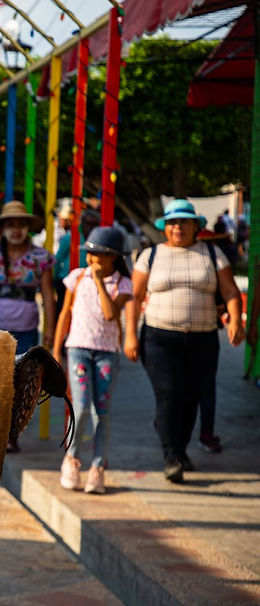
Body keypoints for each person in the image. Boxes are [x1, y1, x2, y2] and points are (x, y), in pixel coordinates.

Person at [124, 199, 244, 483]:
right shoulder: (150, 256)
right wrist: (129, 333)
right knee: (170, 392)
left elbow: (230, 291)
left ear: (195, 226)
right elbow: (134, 297)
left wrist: (236, 320)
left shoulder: (213, 254)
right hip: (158, 337)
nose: (178, 227)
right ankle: (172, 456)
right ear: (166, 227)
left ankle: (179, 447)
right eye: (173, 223)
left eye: (184, 222)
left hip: (202, 339)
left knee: (192, 396)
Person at [53, 227, 133, 494]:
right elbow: (65, 313)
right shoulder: (76, 277)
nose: (92, 259)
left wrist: (99, 282)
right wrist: (56, 348)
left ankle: (98, 467)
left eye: (99, 254)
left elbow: (111, 314)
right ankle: (71, 458)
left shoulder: (122, 283)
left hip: (106, 352)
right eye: (90, 253)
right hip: (77, 348)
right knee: (81, 405)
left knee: (102, 410)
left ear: (113, 258)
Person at [0, 201, 56, 452]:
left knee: (22, 380)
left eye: (21, 224)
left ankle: (11, 433)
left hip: (26, 328)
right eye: (11, 224)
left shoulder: (41, 257)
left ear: (28, 228)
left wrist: (50, 328)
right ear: (2, 227)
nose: (16, 229)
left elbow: (48, 295)